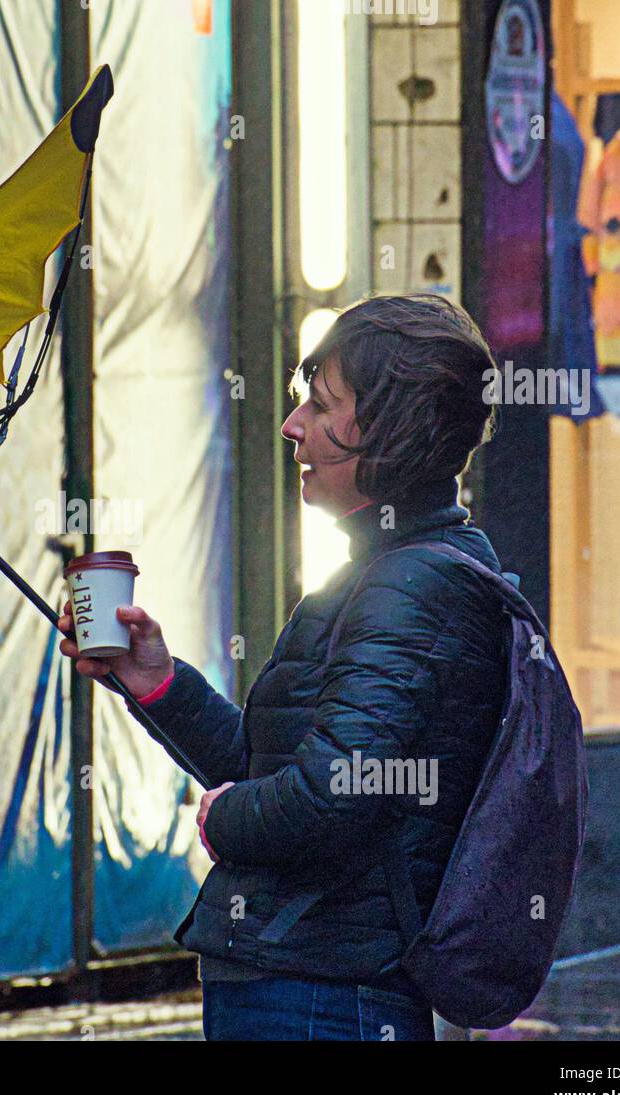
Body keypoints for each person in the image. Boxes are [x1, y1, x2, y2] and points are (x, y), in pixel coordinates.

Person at [58, 294, 510, 1041]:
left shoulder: (413, 587)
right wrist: (156, 681)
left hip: (324, 998)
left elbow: (333, 797)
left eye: (321, 404)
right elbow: (271, 764)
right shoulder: (379, 573)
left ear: (391, 432)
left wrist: (220, 818)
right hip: (304, 985)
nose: (291, 424)